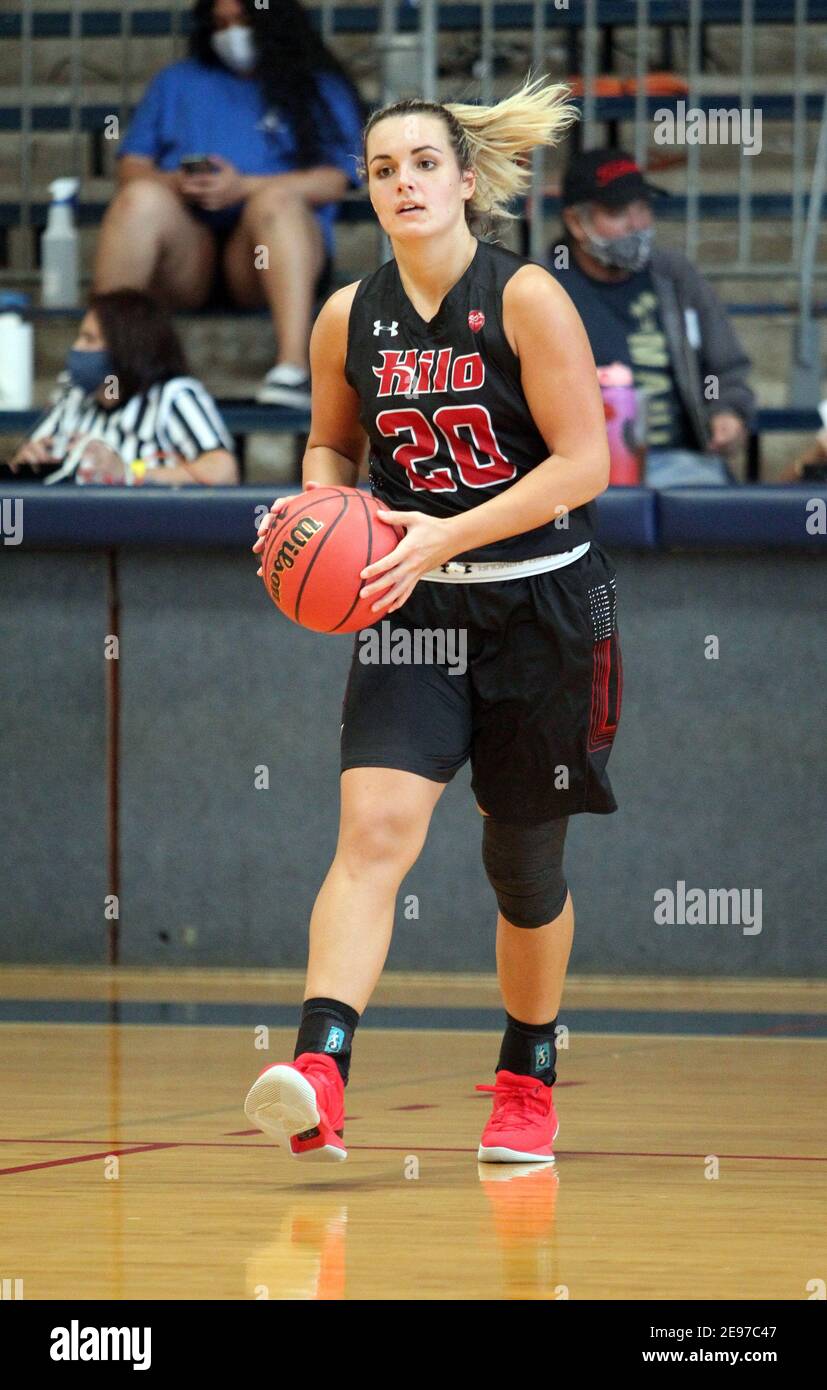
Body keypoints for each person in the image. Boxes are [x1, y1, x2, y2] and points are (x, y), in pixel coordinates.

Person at [245, 75, 623, 1165]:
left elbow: (583, 464)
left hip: (546, 605)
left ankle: (526, 1069)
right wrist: (321, 508)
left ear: (465, 181)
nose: (402, 182)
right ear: (367, 192)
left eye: (422, 163)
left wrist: (442, 534)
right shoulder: (341, 315)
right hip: (410, 610)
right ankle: (318, 1067)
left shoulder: (524, 299)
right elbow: (330, 446)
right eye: (381, 169)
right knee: (370, 834)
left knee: (522, 871)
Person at [93, 0, 364, 408]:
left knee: (276, 200)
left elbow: (337, 179)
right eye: (220, 24)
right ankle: (99, 360)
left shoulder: (318, 85)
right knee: (138, 200)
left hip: (268, 258)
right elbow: (131, 168)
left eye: (242, 20)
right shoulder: (176, 82)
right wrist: (179, 184)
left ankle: (292, 369)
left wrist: (243, 187)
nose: (231, 33)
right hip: (190, 257)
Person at [549, 148, 756, 487]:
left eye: (643, 208)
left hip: (682, 464)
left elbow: (724, 368)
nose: (637, 225)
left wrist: (726, 412)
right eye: (618, 212)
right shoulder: (541, 284)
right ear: (576, 222)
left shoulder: (675, 276)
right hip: (580, 472)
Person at [8, 290, 237, 485]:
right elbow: (28, 462)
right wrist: (26, 464)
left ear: (124, 347)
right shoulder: (73, 398)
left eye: (89, 339)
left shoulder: (173, 396)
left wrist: (130, 474)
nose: (76, 348)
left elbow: (223, 471)